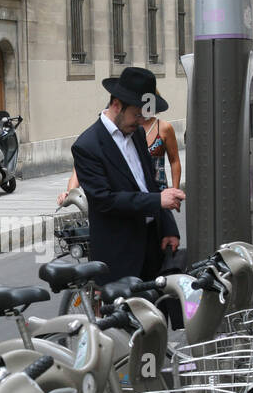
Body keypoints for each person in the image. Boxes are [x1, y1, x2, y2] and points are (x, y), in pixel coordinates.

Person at [70, 66, 185, 283]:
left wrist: (169, 228)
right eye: (137, 114)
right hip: (119, 256)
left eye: (145, 115)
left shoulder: (137, 133)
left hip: (153, 247)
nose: (141, 121)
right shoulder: (87, 146)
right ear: (116, 105)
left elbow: (150, 183)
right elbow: (104, 200)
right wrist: (157, 200)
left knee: (158, 313)